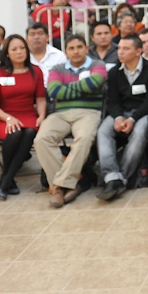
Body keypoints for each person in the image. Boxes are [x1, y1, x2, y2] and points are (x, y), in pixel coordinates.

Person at [36, 35, 108, 207]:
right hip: (60, 114)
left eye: (79, 47)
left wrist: (66, 89)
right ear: (66, 51)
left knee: (83, 140)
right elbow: (53, 91)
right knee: (41, 139)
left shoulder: (97, 65)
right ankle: (69, 184)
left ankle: (59, 187)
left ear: (86, 48)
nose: (76, 51)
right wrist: (84, 89)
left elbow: (96, 81)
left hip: (88, 112)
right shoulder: (57, 68)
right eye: (71, 48)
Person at [97, 34, 148, 201]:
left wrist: (132, 119)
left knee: (139, 132)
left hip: (143, 113)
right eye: (119, 48)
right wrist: (118, 118)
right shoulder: (114, 72)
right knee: (103, 131)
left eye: (126, 48)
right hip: (121, 112)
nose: (120, 52)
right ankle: (112, 176)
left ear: (138, 51)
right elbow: (112, 100)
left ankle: (122, 177)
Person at [0, 35, 46, 200]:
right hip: (2, 117)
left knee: (29, 132)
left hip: (28, 115)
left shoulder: (36, 71)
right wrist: (8, 118)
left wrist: (42, 115)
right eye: (14, 49)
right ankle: (8, 179)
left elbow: (40, 98)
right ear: (7, 53)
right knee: (15, 133)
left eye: (22, 48)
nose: (19, 52)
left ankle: (6, 180)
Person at [26, 23, 66, 87]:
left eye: (40, 34)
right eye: (32, 34)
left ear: (47, 37)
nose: (36, 37)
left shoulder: (59, 56)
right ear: (26, 39)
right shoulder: (22, 56)